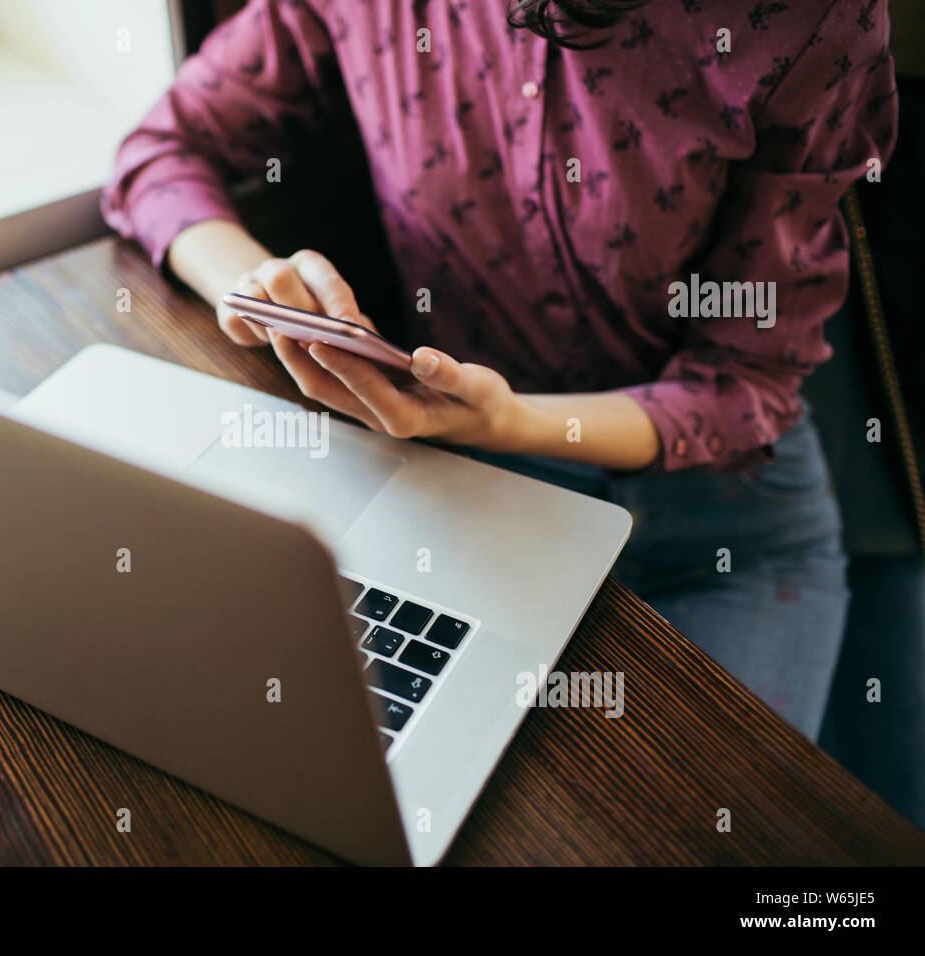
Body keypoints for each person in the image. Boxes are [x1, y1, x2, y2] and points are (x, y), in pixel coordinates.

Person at [101, 0, 898, 740]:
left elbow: (746, 381)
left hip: (725, 526)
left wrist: (512, 420)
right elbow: (160, 153)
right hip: (477, 506)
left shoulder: (811, 17)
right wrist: (255, 287)